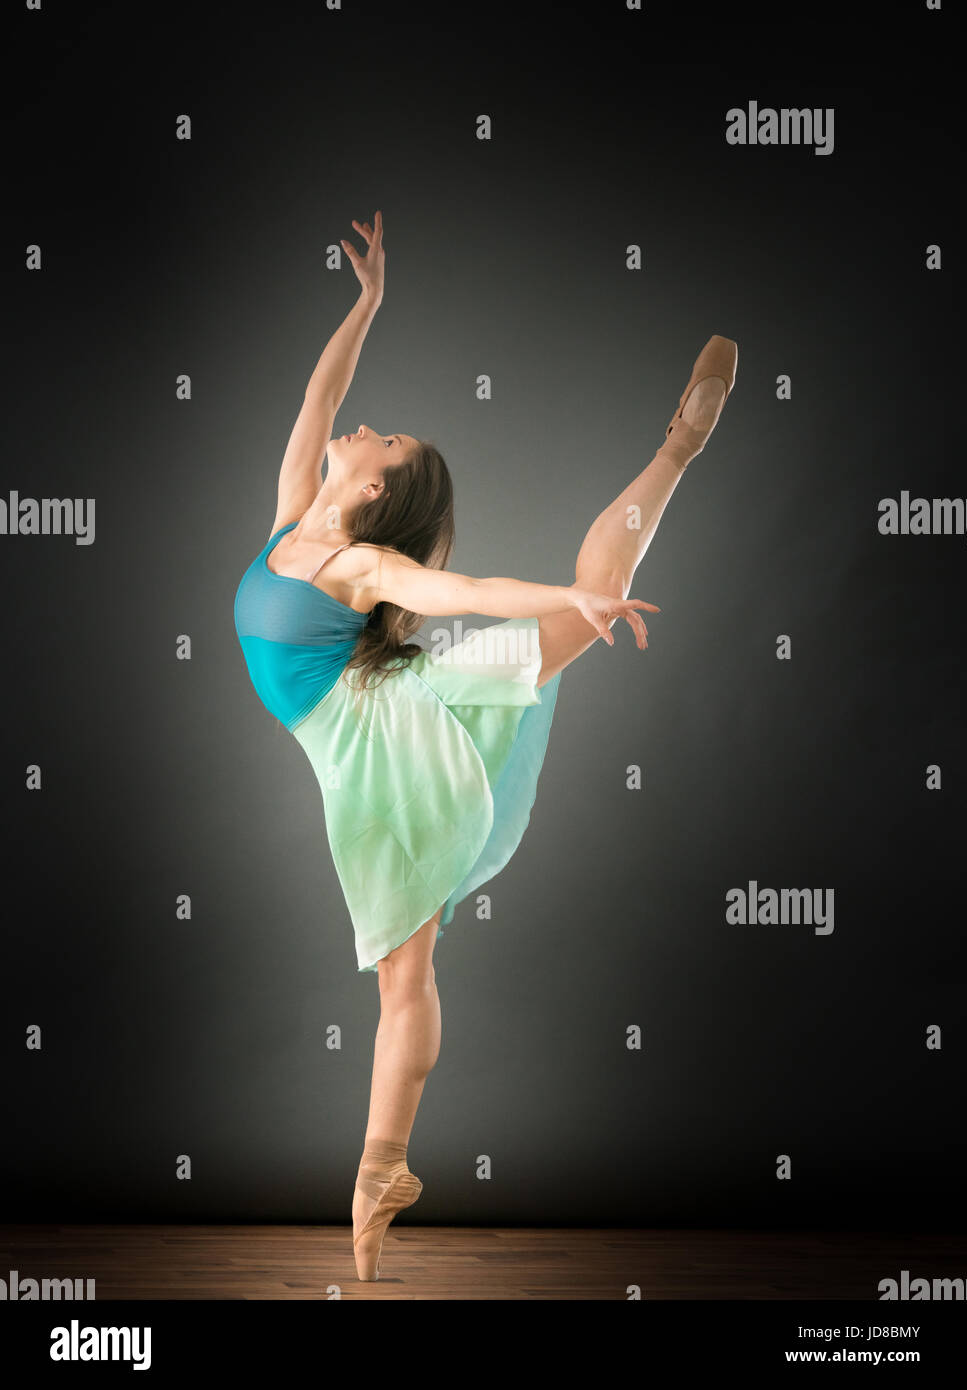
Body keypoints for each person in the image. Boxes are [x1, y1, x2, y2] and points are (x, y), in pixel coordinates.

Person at [233, 211, 738, 1280]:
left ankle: (674, 450)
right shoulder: (293, 521)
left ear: (372, 489)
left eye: (389, 439)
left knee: (572, 622)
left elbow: (454, 592)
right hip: (375, 727)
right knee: (405, 975)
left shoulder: (355, 567)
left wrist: (563, 594)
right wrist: (367, 303)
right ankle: (382, 1174)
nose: (369, 425)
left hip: (387, 742)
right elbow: (319, 396)